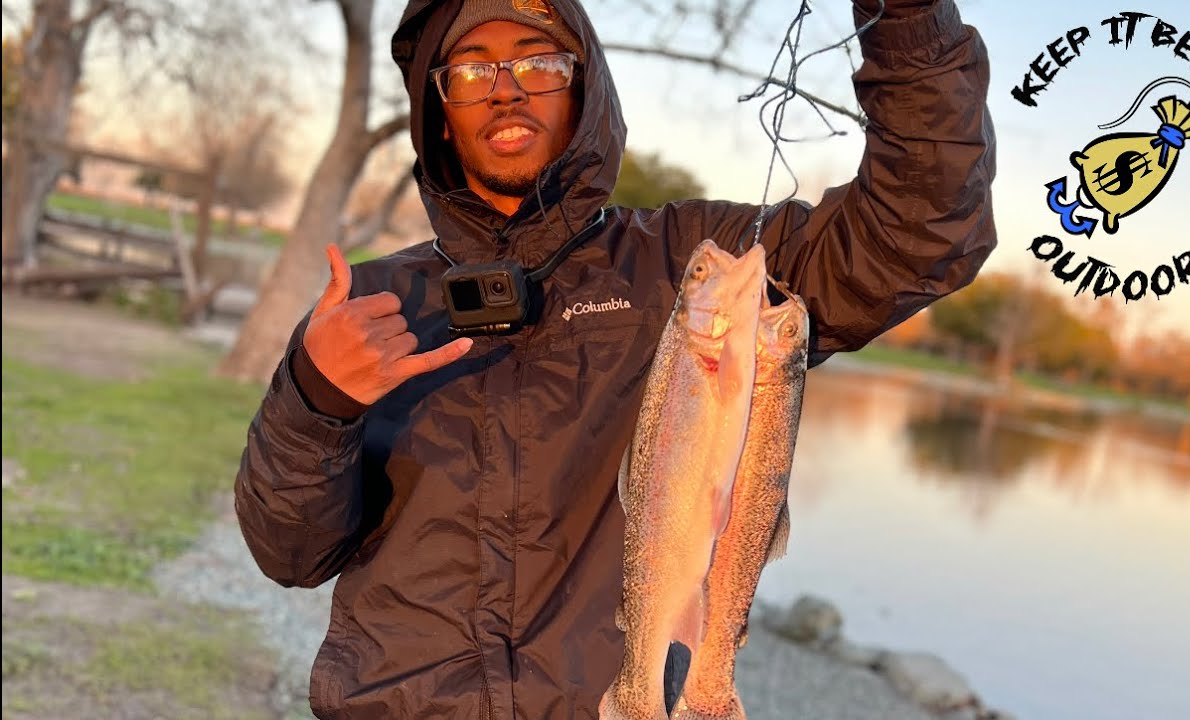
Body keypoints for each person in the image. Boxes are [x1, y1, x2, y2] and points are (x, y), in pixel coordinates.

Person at [233, 0, 997, 717]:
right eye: (470, 70)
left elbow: (923, 226)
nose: (505, 90)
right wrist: (315, 397)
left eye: (538, 61)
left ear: (585, 86)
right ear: (438, 107)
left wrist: (903, 18)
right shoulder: (374, 305)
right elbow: (291, 553)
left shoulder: (692, 262)